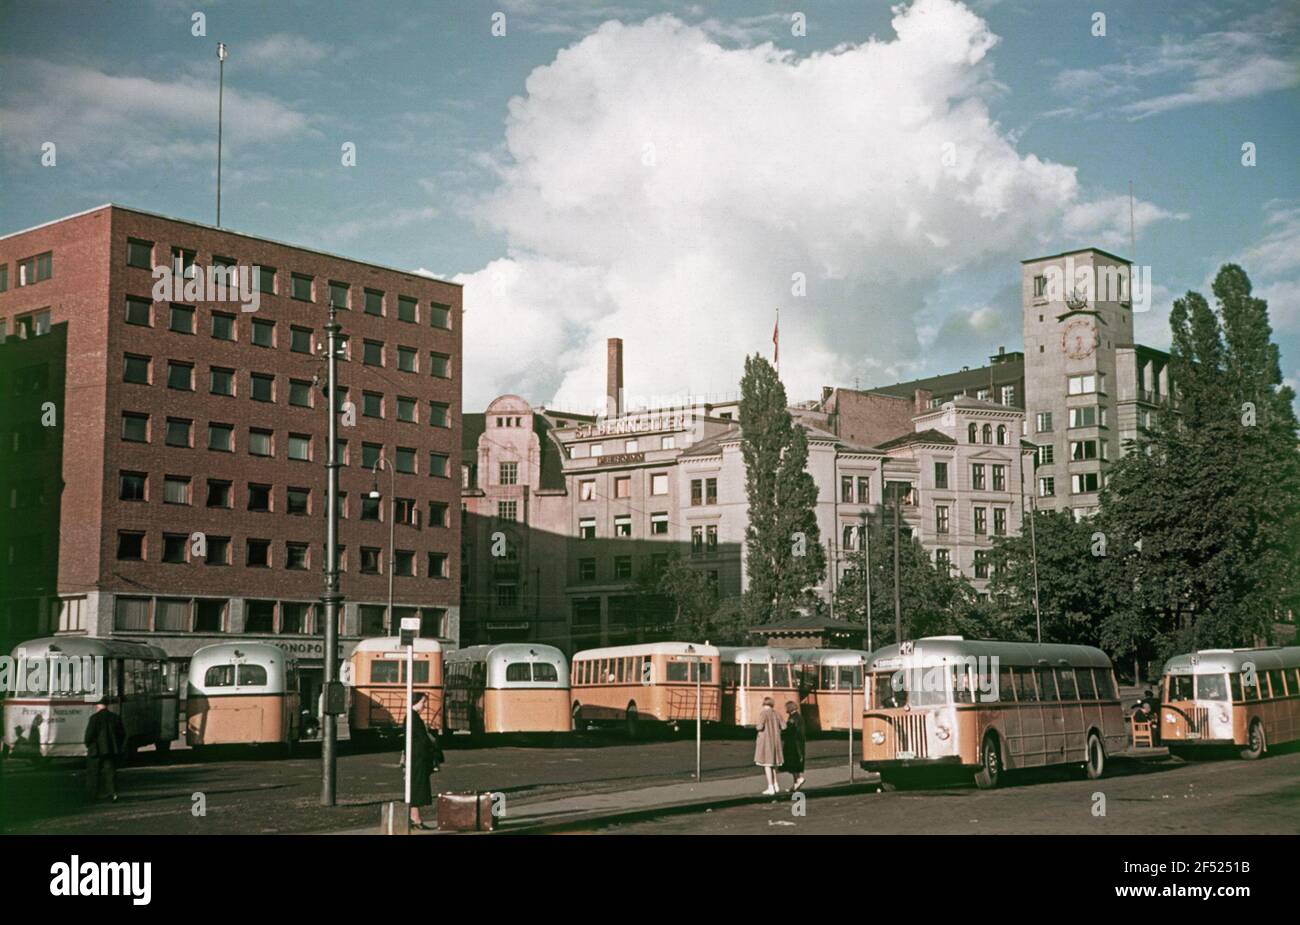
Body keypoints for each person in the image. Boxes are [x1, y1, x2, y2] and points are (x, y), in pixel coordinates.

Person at [83, 701, 127, 801]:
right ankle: (112, 793)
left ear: (98, 706)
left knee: (93, 774)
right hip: (111, 750)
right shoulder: (115, 718)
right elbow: (122, 734)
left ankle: (93, 795)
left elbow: (89, 735)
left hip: (96, 750)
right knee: (110, 773)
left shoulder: (94, 718)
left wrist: (88, 744)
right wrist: (117, 746)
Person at [405, 692, 436, 829]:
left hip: (416, 756)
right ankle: (415, 818)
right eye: (423, 702)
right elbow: (421, 739)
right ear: (416, 702)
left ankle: (415, 817)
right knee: (417, 786)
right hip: (417, 757)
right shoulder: (413, 718)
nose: (424, 705)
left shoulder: (412, 717)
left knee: (415, 786)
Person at [754, 695, 786, 796]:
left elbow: (759, 727)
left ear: (764, 704)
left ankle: (770, 787)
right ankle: (776, 785)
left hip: (766, 741)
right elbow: (784, 726)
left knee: (767, 765)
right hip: (776, 741)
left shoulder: (763, 713)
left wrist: (757, 727)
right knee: (773, 765)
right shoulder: (777, 713)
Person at [780, 700, 806, 792]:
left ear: (789, 708)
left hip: (792, 744)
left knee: (792, 763)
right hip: (798, 743)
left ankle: (798, 779)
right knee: (795, 763)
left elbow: (789, 730)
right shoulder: (798, 717)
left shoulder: (792, 718)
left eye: (786, 707)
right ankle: (795, 785)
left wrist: (781, 732)